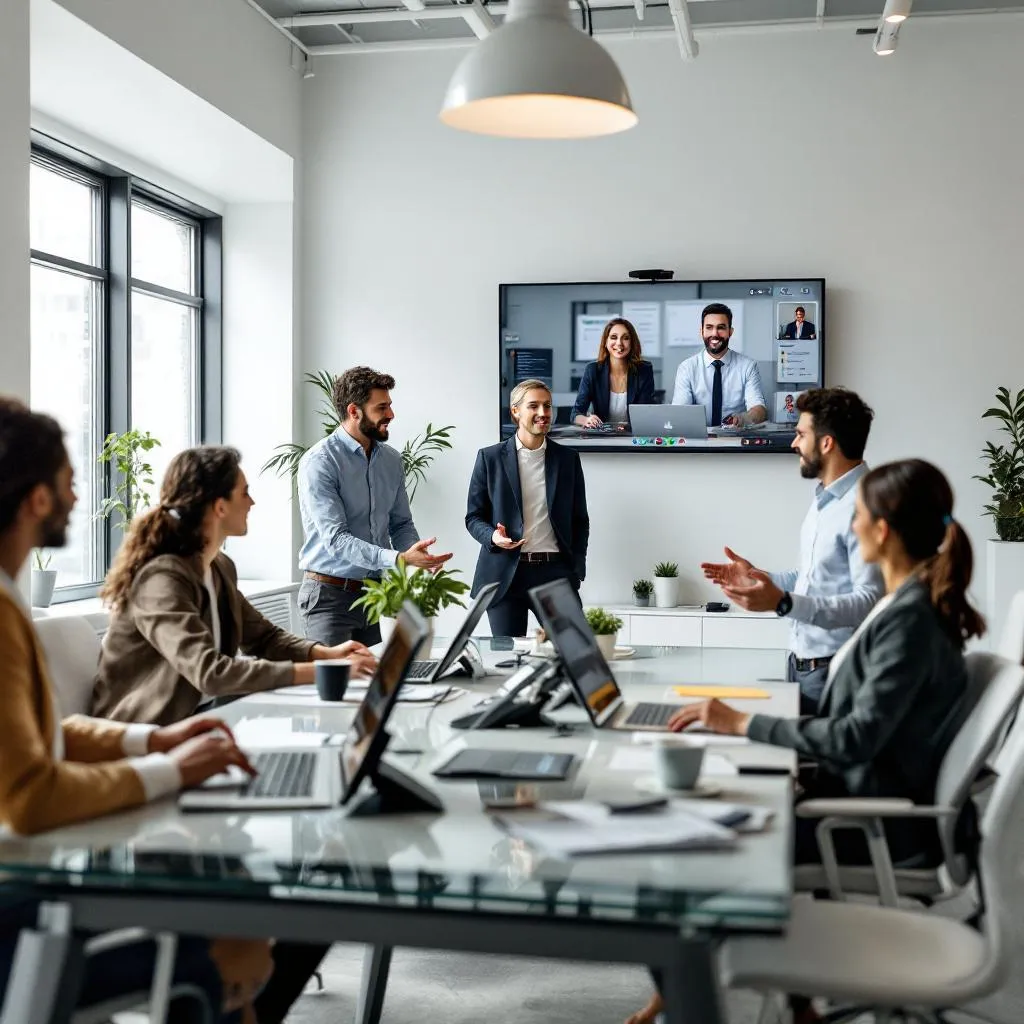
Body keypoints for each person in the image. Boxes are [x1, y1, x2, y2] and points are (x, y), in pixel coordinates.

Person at [630, 458, 985, 1024]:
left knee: (676, 854)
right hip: (859, 798)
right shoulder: (904, 606)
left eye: (859, 516)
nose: (853, 526)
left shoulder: (910, 620)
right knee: (698, 813)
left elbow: (855, 737)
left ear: (880, 530)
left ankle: (685, 991)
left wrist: (743, 724)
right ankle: (769, 1001)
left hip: (872, 823)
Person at [0, 396, 272, 1023]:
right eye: (68, 481)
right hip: (16, 917)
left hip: (30, 878)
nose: (76, 496)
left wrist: (152, 745)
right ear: (38, 498)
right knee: (228, 935)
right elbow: (31, 794)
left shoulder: (9, 602)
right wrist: (173, 771)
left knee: (246, 913)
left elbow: (45, 737)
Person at [91, 446, 377, 727]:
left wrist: (326, 653)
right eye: (244, 492)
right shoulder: (161, 580)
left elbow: (264, 638)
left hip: (202, 719)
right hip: (145, 734)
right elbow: (211, 673)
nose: (251, 502)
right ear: (220, 506)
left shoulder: (218, 567)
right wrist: (323, 671)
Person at [701, 388, 883, 713]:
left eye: (801, 434)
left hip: (834, 671)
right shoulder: (826, 500)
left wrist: (784, 603)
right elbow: (811, 577)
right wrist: (760, 577)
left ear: (827, 443)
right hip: (802, 663)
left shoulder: (865, 504)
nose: (794, 443)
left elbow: (869, 600)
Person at [297, 366, 452, 646]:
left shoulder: (391, 461)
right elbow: (337, 540)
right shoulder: (319, 462)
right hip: (329, 597)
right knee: (336, 685)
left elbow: (401, 523)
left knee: (382, 681)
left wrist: (416, 556)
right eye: (382, 408)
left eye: (390, 406)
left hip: (378, 595)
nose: (391, 415)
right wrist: (399, 560)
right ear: (354, 411)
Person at [466, 379, 590, 637]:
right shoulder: (490, 458)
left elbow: (580, 520)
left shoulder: (568, 460)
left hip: (554, 572)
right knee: (506, 660)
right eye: (533, 406)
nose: (543, 413)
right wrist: (492, 536)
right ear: (515, 411)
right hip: (504, 574)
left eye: (547, 406)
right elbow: (474, 517)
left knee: (574, 652)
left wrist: (576, 566)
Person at [670, 303, 767, 427]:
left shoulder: (748, 366)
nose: (715, 333)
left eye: (721, 327)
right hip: (698, 440)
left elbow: (759, 409)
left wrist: (744, 418)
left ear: (730, 332)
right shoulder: (687, 368)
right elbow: (679, 413)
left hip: (735, 440)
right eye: (709, 327)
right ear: (701, 331)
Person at [571, 318, 655, 429]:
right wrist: (586, 420)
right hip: (602, 438)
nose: (619, 343)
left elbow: (645, 415)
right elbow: (575, 414)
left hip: (632, 437)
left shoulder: (644, 370)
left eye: (625, 338)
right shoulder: (593, 370)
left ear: (632, 343)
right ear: (605, 342)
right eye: (613, 337)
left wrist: (628, 428)